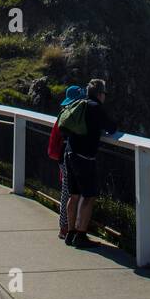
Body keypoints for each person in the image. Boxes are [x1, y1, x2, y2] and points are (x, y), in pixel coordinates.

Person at [64, 78, 118, 248]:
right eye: (104, 94)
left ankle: (70, 233)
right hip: (84, 157)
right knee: (89, 196)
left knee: (74, 195)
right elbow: (112, 128)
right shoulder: (96, 108)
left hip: (69, 152)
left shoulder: (80, 103)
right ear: (100, 94)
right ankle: (81, 236)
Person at [48, 85, 85, 239]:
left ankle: (66, 226)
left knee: (67, 191)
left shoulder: (63, 113)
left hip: (63, 156)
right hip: (71, 156)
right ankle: (68, 227)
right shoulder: (76, 113)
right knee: (71, 192)